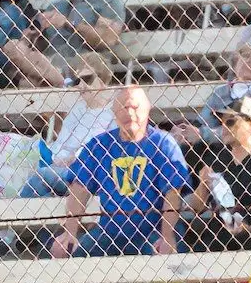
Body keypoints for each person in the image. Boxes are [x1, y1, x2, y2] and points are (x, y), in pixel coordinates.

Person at [55, 82, 187, 258]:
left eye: (135, 107)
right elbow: (79, 189)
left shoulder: (163, 144)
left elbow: (172, 194)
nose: (130, 113)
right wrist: (70, 232)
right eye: (124, 108)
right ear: (114, 113)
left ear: (148, 109)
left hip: (153, 229)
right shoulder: (99, 145)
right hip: (110, 231)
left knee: (166, 255)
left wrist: (167, 235)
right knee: (68, 255)